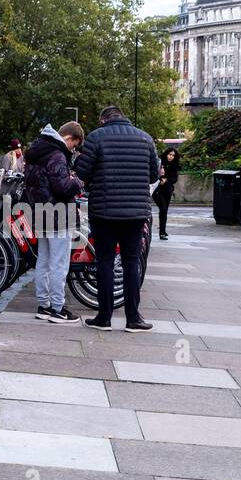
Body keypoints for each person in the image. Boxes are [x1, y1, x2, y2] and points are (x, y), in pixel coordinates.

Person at [73, 105, 160, 332]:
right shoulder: (145, 138)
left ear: (104, 120)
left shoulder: (95, 138)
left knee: (105, 262)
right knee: (132, 263)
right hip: (136, 213)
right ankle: (133, 318)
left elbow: (82, 173)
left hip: (104, 212)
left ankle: (104, 317)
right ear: (123, 117)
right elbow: (153, 175)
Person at [23, 121, 85, 323]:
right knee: (59, 263)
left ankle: (44, 306)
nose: (73, 149)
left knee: (44, 261)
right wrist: (77, 180)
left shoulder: (37, 150)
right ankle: (58, 308)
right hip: (58, 214)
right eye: (74, 145)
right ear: (68, 138)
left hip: (41, 212)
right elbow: (63, 188)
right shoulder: (56, 154)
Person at [153, 146, 181, 240]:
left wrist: (167, 181)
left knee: (164, 212)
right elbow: (154, 174)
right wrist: (161, 179)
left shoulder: (174, 165)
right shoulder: (160, 163)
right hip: (158, 190)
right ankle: (162, 232)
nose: (171, 157)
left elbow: (174, 179)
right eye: (170, 154)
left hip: (168, 190)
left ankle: (163, 231)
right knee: (163, 209)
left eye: (173, 155)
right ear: (166, 154)